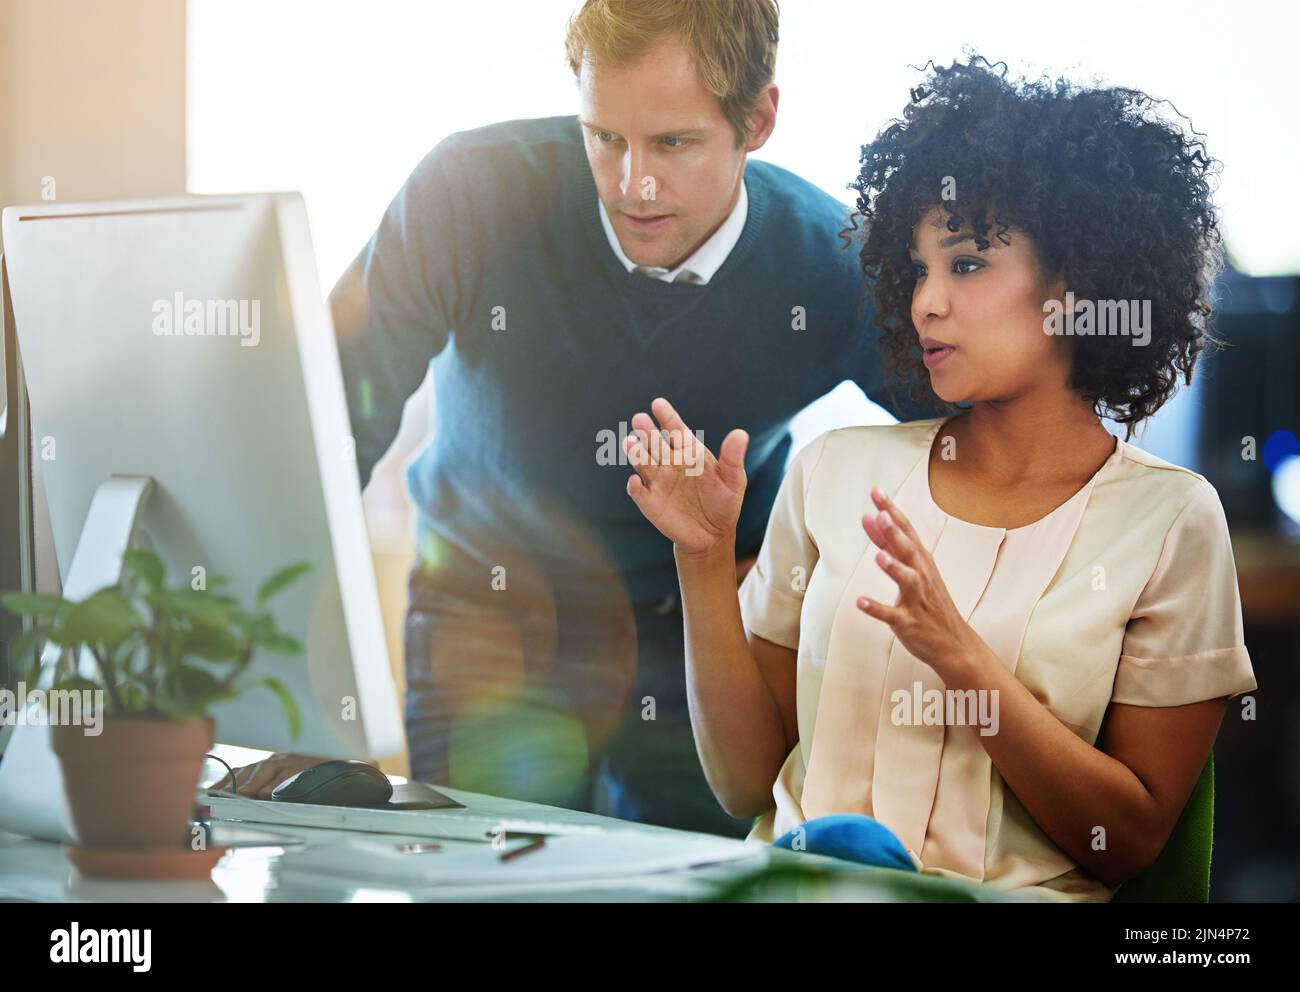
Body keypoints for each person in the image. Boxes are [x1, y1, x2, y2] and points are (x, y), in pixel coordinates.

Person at [213, 0, 936, 837]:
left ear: (758, 119)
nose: (635, 185)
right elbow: (326, 432)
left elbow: (979, 436)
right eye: (605, 137)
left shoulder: (832, 262)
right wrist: (300, 712)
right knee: (480, 880)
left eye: (673, 143)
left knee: (686, 882)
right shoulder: (467, 192)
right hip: (487, 612)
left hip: (695, 628)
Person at [620, 56, 1258, 898]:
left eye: (963, 265)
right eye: (917, 270)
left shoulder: (1170, 521)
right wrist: (703, 559)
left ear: (1076, 284)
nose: (925, 302)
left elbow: (1129, 840)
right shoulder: (836, 471)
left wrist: (961, 658)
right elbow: (744, 786)